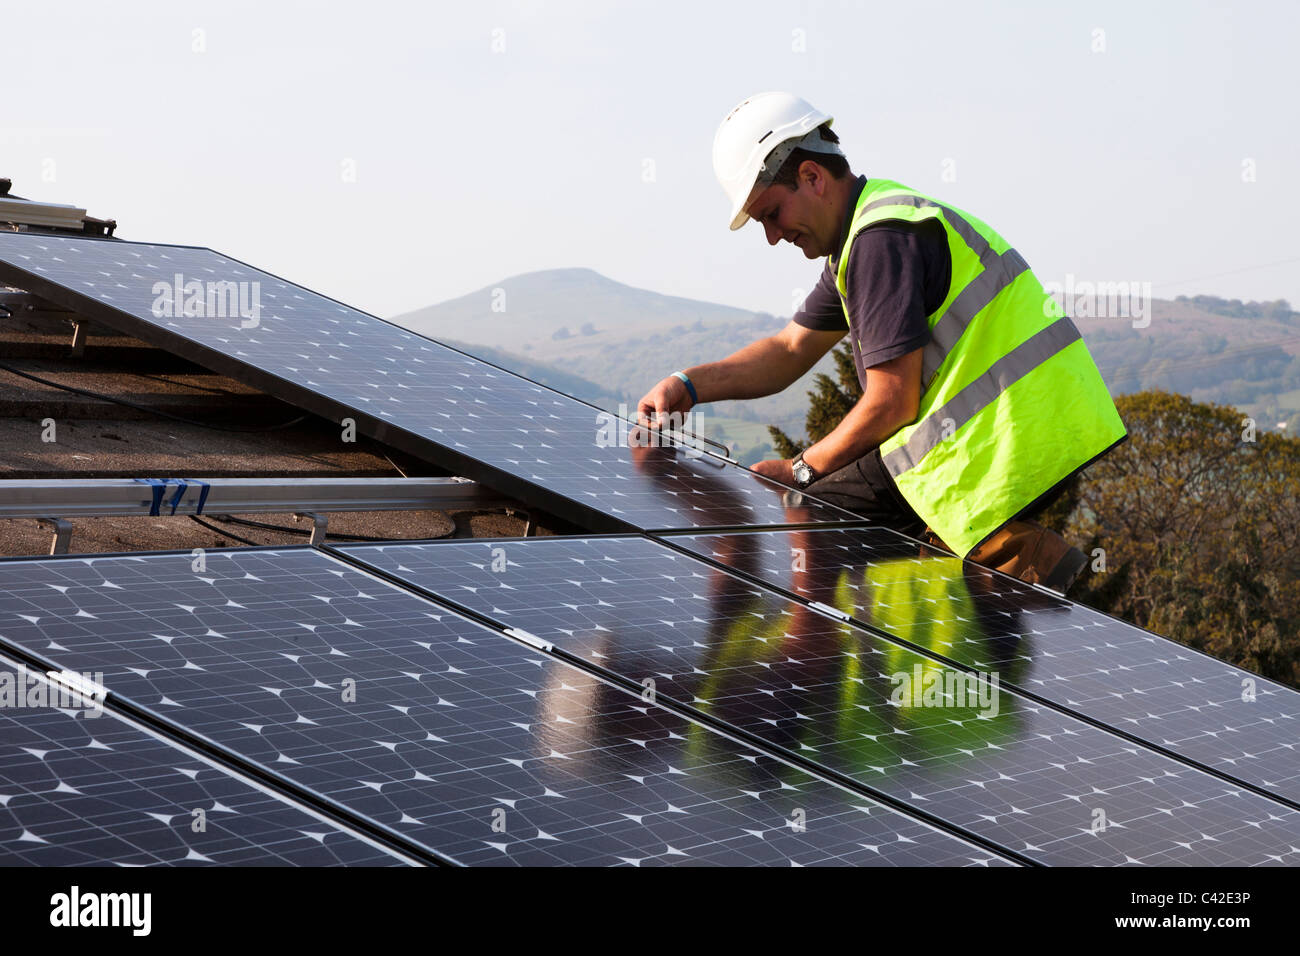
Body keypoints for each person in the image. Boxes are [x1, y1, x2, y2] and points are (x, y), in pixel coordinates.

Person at [636, 92, 1127, 592]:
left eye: (772, 213)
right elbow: (789, 350)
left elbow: (892, 402)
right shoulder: (865, 232)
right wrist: (688, 384)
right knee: (887, 541)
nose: (772, 236)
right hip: (1032, 422)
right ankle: (1004, 569)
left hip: (1004, 432)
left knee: (814, 515)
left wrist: (801, 471)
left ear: (812, 177)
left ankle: (1009, 564)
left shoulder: (880, 240)